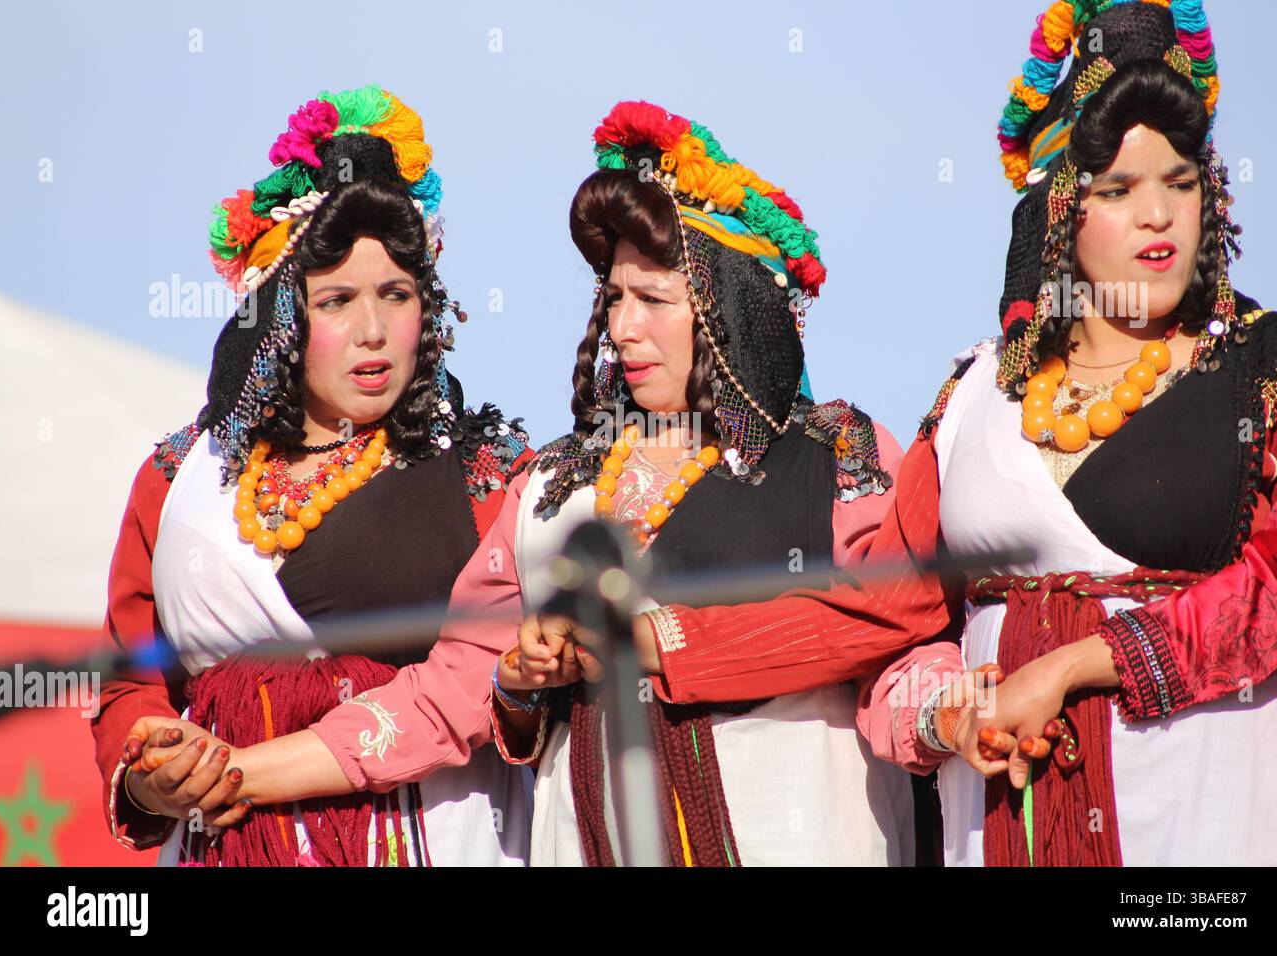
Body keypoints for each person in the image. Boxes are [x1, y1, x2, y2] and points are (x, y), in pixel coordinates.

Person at [134, 100, 914, 866]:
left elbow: (892, 615)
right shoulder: (550, 486)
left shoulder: (835, 453)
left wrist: (652, 640)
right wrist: (516, 682)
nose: (621, 328)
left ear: (734, 309)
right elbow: (449, 695)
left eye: (652, 300)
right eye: (612, 298)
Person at [627, 0, 1277, 866]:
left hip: (1205, 828)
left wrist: (1074, 663)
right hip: (999, 826)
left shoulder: (1268, 366)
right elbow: (877, 614)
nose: (1159, 215)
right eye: (1119, 189)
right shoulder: (976, 392)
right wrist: (948, 714)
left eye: (1181, 180)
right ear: (1059, 206)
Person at [93, 85, 534, 866]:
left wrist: (247, 772)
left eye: (396, 294)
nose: (374, 331)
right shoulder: (176, 478)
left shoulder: (484, 476)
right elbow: (131, 684)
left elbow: (482, 680)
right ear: (282, 321)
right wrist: (153, 778)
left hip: (436, 839)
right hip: (222, 847)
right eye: (337, 300)